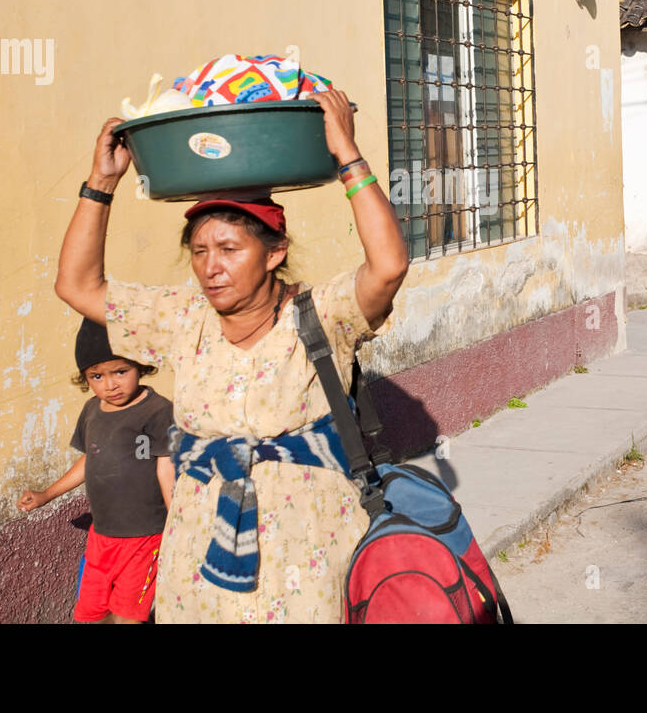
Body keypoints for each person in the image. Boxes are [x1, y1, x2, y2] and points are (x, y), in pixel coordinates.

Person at [54, 88, 409, 623]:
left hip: (304, 556)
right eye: (199, 251)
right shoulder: (182, 318)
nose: (209, 267)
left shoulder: (321, 315)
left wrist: (346, 157)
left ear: (274, 252)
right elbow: (77, 285)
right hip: (199, 558)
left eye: (228, 249)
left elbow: (387, 266)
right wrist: (102, 183)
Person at [17, 318, 175, 623]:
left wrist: (176, 529)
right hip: (101, 539)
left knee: (128, 616)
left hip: (145, 539)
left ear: (140, 365)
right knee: (89, 615)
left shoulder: (157, 411)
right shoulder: (92, 411)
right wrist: (46, 494)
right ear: (85, 378)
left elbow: (166, 471)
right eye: (97, 376)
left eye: (120, 371)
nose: (110, 384)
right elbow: (90, 460)